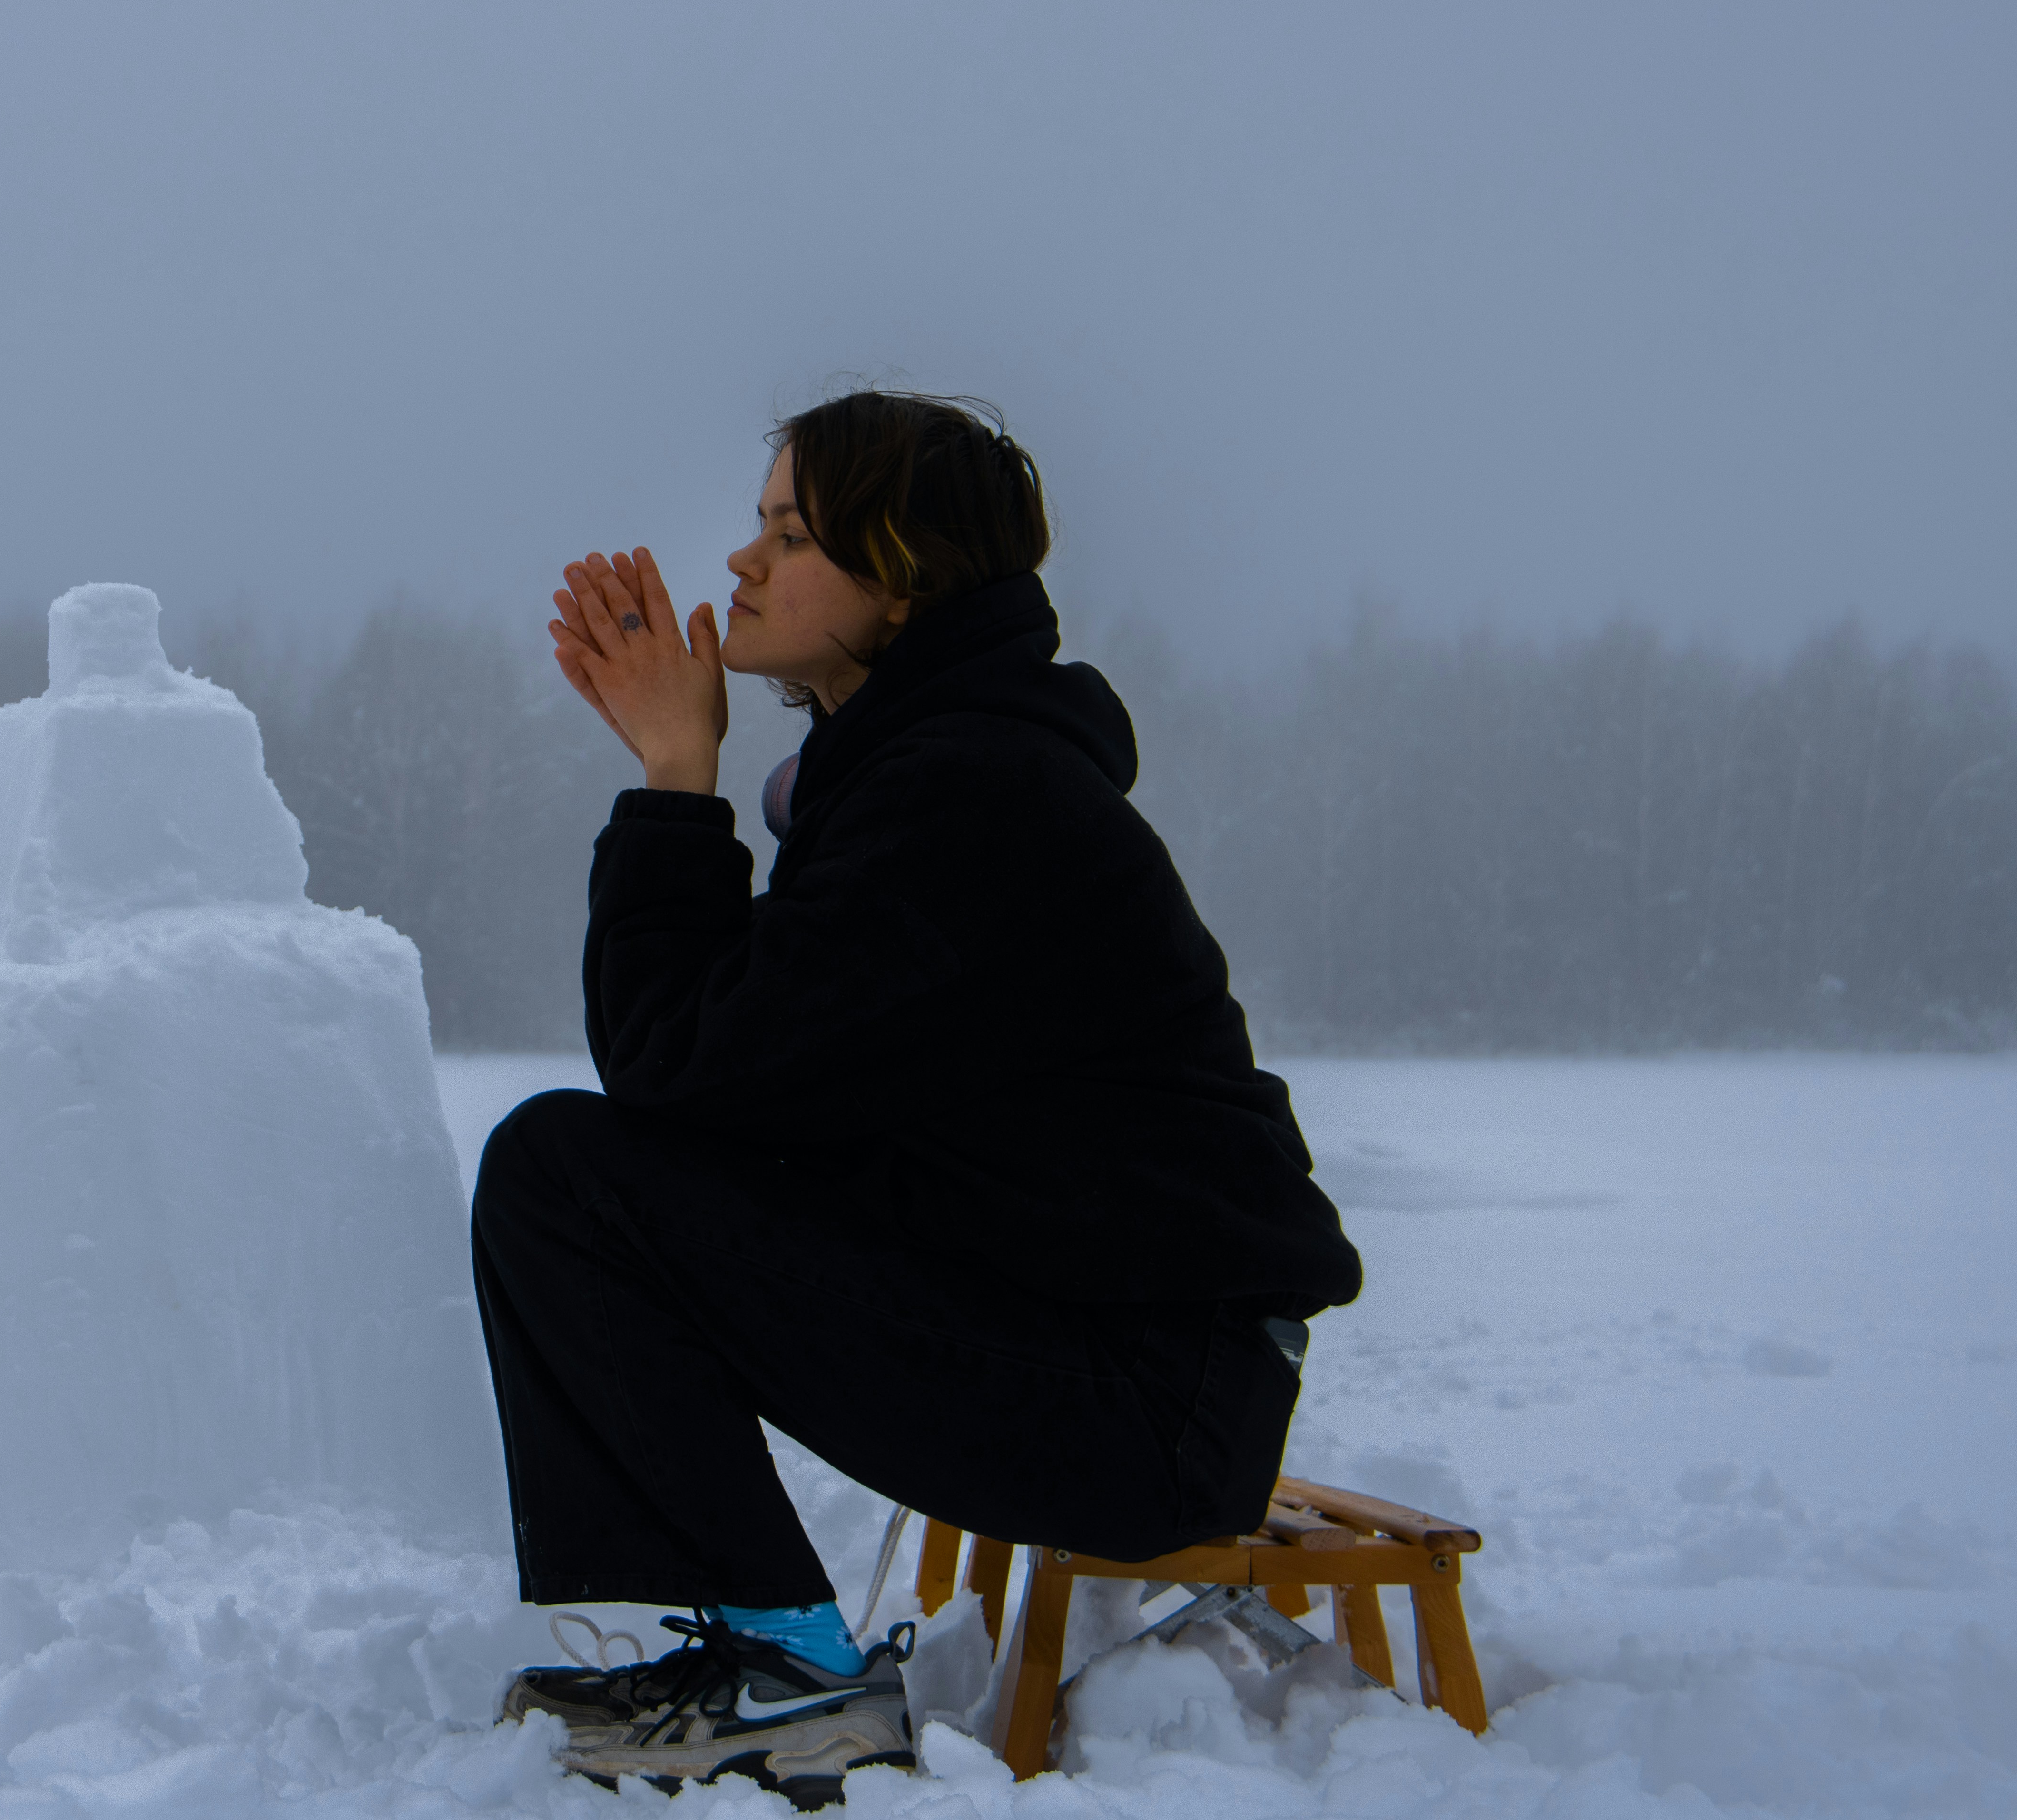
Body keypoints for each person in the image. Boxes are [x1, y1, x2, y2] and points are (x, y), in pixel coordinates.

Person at [472, 390, 1361, 1803]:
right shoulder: (926, 771)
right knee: (583, 1171)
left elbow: (682, 1067)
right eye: (758, 526)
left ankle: (787, 1680)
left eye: (794, 533)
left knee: (566, 1175)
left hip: (1148, 1405)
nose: (744, 565)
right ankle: (772, 1655)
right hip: (1122, 1359)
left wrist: (674, 777)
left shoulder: (970, 795)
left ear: (908, 578)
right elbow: (729, 1087)